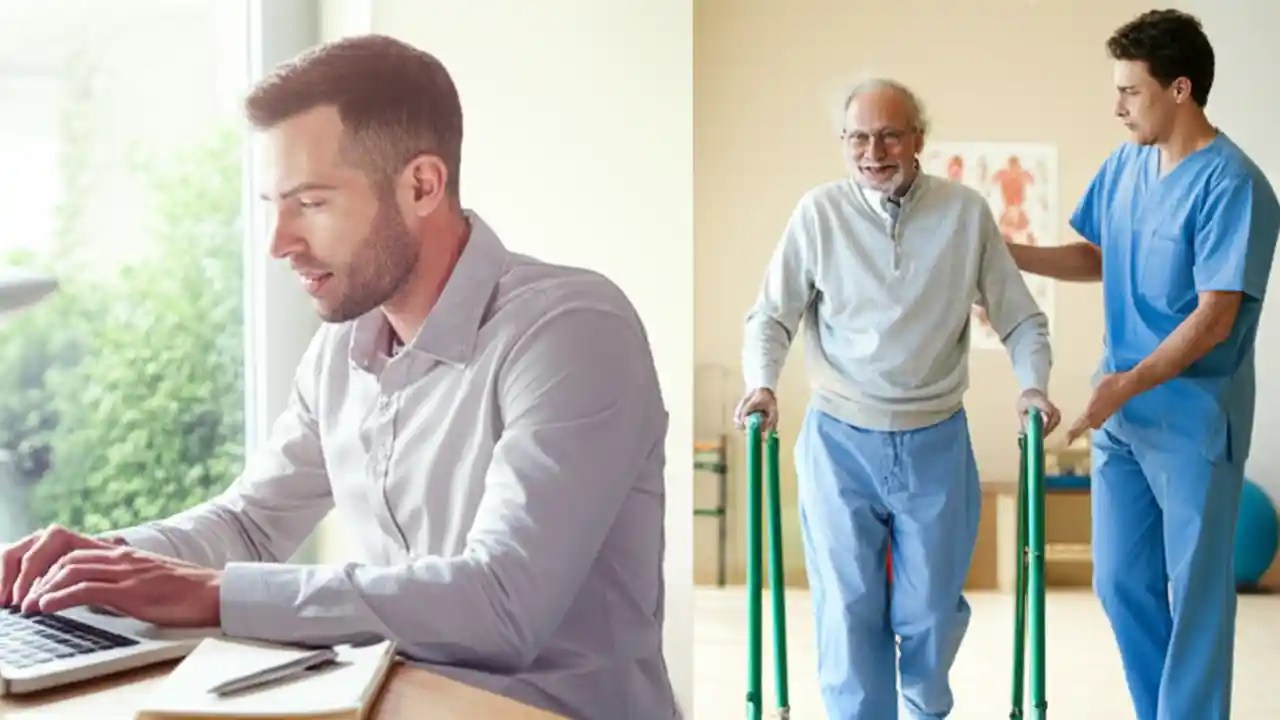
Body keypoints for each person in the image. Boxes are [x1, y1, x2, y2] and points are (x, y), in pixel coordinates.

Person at [0, 34, 678, 720]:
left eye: (312, 203)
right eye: (273, 204)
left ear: (422, 185)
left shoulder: (571, 331)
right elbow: (251, 524)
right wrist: (93, 564)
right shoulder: (343, 350)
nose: (278, 242)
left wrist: (215, 594)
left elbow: (500, 601)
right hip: (401, 701)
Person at [736, 78, 1060, 719]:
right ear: (843, 142)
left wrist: (1033, 385)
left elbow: (1023, 319)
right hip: (839, 438)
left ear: (918, 139)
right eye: (858, 136)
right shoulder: (818, 213)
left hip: (935, 437)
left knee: (932, 613)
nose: (873, 150)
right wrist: (763, 382)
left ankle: (924, 708)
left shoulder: (966, 214)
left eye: (889, 134)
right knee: (849, 607)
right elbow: (772, 317)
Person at [1006, 10, 1280, 720]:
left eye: (1131, 90)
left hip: (1193, 417)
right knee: (1121, 581)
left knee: (1195, 595)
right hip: (1122, 411)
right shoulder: (1126, 164)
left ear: (1180, 88)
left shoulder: (1236, 185)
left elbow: (1215, 316)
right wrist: (1012, 255)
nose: (1118, 105)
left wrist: (1126, 382)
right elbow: (1100, 254)